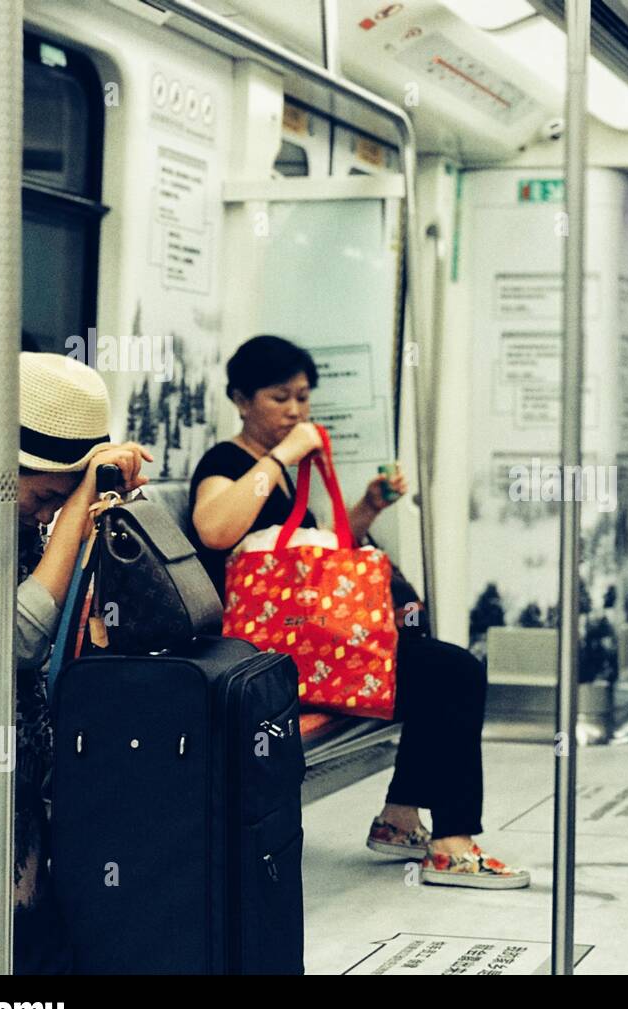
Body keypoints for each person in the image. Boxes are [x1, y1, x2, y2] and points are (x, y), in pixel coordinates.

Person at [188, 335, 528, 889]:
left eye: (303, 397)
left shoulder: (281, 471)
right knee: (450, 671)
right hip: (265, 655)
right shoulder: (228, 461)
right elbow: (214, 528)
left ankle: (401, 820)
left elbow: (315, 565)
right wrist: (284, 456)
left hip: (306, 641)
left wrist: (366, 508)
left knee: (437, 667)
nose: (296, 411)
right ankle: (450, 841)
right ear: (240, 399)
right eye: (280, 398)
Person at [0, 351, 151, 972]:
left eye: (58, 503)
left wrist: (108, 521)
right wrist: (74, 516)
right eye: (45, 496)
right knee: (40, 785)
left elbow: (98, 630)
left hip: (13, 733)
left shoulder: (18, 510)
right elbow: (7, 642)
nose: (47, 516)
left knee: (134, 767)